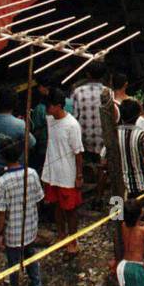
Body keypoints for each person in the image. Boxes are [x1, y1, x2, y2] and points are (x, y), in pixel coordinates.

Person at [0, 142, 46, 286]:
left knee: (15, 267)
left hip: (13, 233)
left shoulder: (2, 182)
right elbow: (39, 199)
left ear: (3, 158)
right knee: (31, 258)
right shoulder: (32, 174)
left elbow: (1, 212)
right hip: (30, 227)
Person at [41, 87, 85, 256]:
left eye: (50, 106)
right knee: (56, 206)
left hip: (67, 173)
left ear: (59, 106)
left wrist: (79, 175)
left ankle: (73, 239)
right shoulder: (50, 120)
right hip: (52, 172)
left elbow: (78, 152)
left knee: (70, 209)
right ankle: (61, 235)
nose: (47, 109)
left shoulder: (72, 125)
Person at [70, 63, 111, 197]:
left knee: (80, 163)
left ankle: (79, 193)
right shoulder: (108, 92)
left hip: (83, 136)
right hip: (102, 137)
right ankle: (99, 196)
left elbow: (74, 116)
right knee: (102, 165)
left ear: (87, 74)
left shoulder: (78, 92)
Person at [0, 90, 34, 177]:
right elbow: (32, 143)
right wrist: (23, 125)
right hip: (15, 169)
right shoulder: (19, 124)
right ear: (15, 104)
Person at [115, 98, 144, 197]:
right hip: (140, 186)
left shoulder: (114, 134)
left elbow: (103, 160)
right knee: (142, 211)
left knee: (118, 212)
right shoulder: (142, 135)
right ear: (138, 115)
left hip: (119, 187)